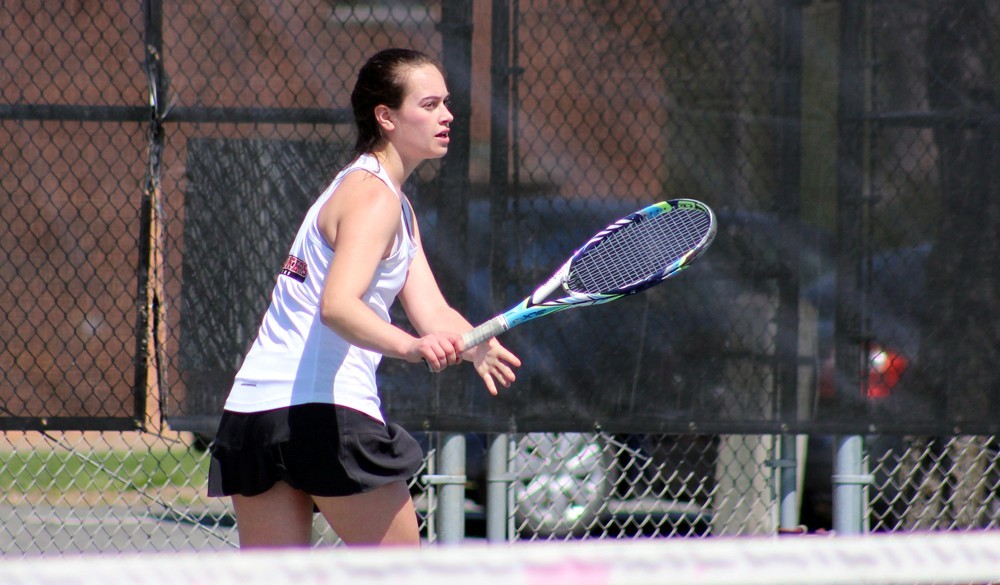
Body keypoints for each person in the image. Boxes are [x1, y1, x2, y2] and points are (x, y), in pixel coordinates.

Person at [207, 48, 521, 548]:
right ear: (386, 117)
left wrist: (473, 341)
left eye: (447, 103)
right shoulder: (375, 199)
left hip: (255, 416)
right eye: (430, 104)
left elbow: (432, 310)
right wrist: (410, 347)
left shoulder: (381, 198)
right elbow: (338, 305)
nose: (447, 115)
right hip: (325, 415)